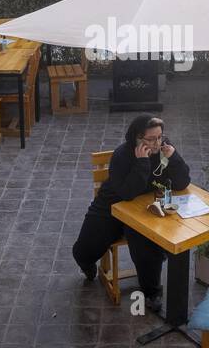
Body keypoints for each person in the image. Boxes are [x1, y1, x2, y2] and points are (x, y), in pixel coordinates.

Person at [71, 114, 191, 308]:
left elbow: (182, 183)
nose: (157, 143)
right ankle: (85, 262)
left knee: (146, 244)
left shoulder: (164, 150)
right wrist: (142, 162)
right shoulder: (122, 155)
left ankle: (152, 291)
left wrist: (174, 157)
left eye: (160, 137)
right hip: (112, 205)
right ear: (137, 138)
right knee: (87, 247)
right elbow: (127, 192)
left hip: (142, 208)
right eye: (150, 139)